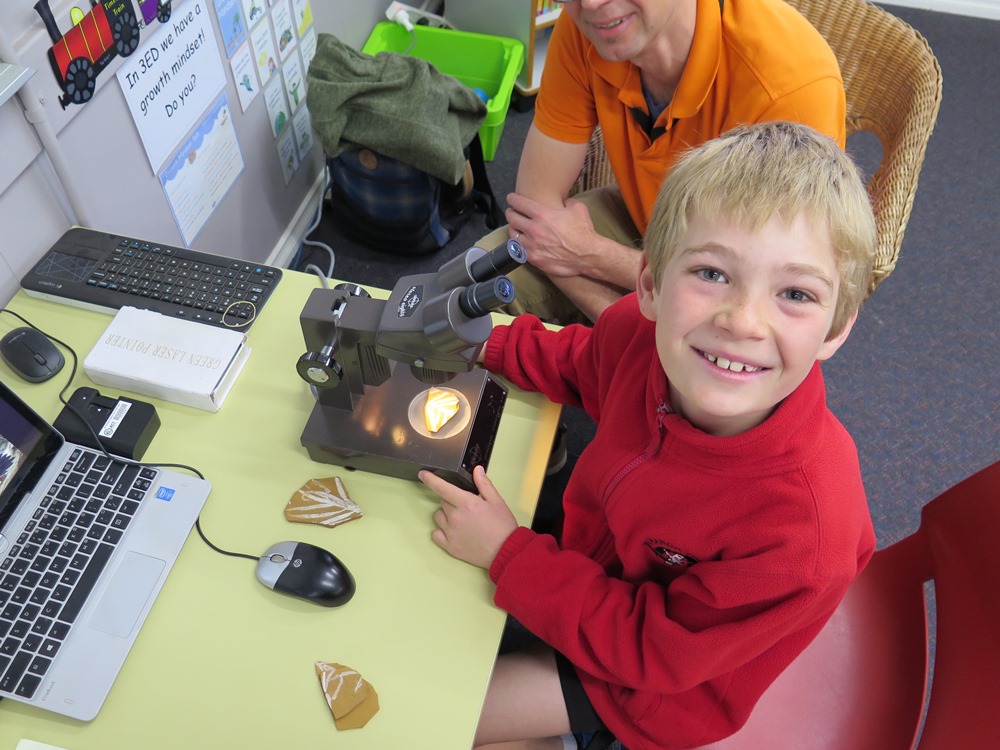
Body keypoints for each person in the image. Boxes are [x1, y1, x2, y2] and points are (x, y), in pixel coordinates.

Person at [420, 121, 877, 750]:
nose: (741, 321)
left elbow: (651, 654)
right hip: (593, 572)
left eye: (795, 293)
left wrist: (509, 554)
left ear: (835, 329)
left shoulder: (803, 530)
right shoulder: (639, 335)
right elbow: (583, 363)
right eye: (712, 274)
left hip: (653, 686)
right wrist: (487, 344)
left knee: (431, 718)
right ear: (652, 287)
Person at [483, 0, 847, 324]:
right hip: (647, 221)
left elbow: (757, 288)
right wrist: (620, 327)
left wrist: (592, 255)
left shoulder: (789, 85)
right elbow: (535, 217)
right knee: (475, 283)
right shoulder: (589, 30)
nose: (591, 4)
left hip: (740, 277)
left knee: (700, 379)